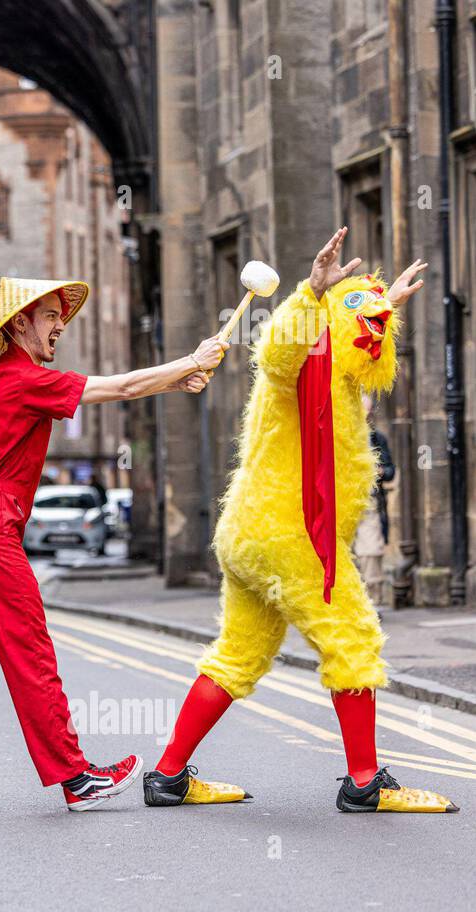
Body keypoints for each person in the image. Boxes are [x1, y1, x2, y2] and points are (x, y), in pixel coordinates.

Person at [0, 277, 225, 813]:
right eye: (51, 315)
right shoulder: (23, 379)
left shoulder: (15, 380)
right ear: (19, 324)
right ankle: (76, 777)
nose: (61, 325)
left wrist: (176, 381)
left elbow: (116, 388)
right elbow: (118, 389)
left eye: (61, 315)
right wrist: (184, 365)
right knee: (31, 651)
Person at [144, 234, 456, 813]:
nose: (376, 337)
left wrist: (386, 304)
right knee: (354, 638)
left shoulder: (333, 375)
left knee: (237, 654)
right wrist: (311, 290)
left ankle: (166, 777)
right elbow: (277, 352)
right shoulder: (302, 367)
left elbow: (354, 333)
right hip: (289, 536)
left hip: (250, 536)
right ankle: (364, 782)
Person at [353, 395, 394, 607]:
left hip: (368, 500)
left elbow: (390, 471)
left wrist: (378, 471)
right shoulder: (336, 435)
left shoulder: (377, 439)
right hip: (340, 502)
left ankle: (371, 604)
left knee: (371, 552)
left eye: (367, 412)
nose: (364, 416)